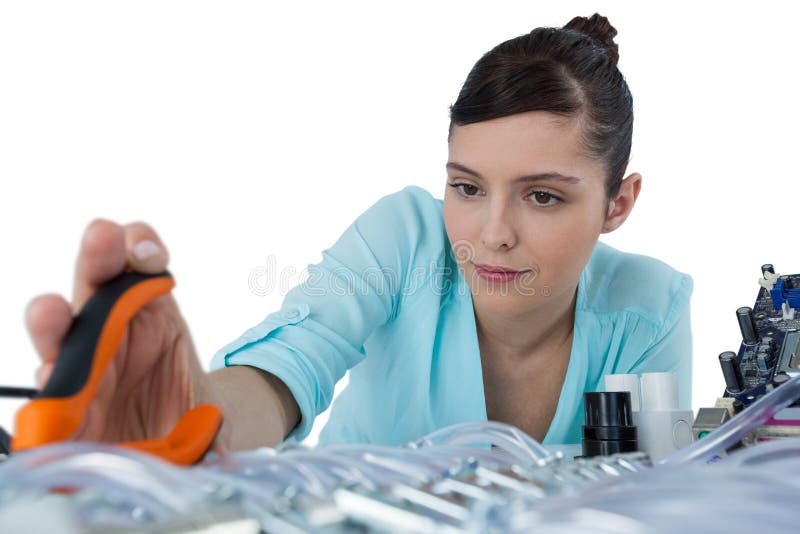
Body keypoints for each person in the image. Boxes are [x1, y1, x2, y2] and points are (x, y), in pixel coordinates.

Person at [24, 13, 692, 453]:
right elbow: (293, 361)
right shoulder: (404, 238)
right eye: (466, 187)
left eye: (541, 197)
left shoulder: (648, 308)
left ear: (618, 203)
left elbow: (652, 497)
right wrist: (199, 419)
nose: (491, 235)